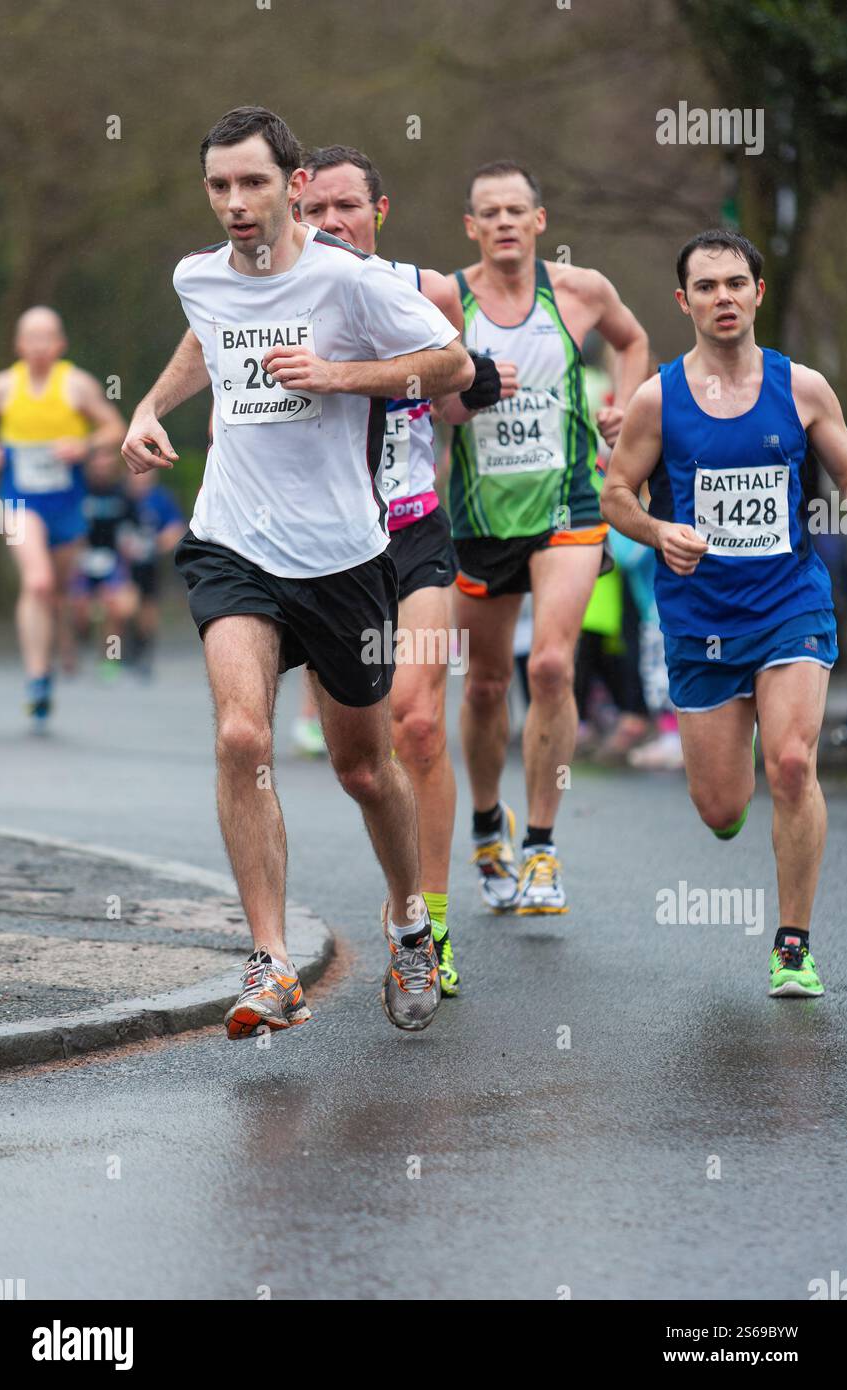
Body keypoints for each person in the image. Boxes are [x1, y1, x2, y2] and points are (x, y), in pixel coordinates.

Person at [121, 106, 474, 1037]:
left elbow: (452, 361)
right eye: (219, 185)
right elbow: (208, 336)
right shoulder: (197, 276)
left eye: (253, 184)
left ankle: (408, 922)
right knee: (243, 738)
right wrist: (150, 407)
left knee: (365, 767)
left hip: (342, 557)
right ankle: (272, 963)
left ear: (292, 188)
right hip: (232, 537)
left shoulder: (346, 280)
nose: (235, 203)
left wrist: (338, 376)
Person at [601, 228, 847, 997]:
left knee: (792, 762)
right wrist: (657, 528)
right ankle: (729, 802)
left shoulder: (802, 388)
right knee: (719, 808)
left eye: (736, 283)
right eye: (706, 287)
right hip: (700, 616)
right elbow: (616, 497)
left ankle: (793, 945)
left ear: (758, 293)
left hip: (790, 603)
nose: (723, 297)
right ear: (684, 302)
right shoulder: (658, 398)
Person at [298, 144, 501, 994]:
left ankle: (435, 929)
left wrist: (482, 384)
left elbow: (452, 401)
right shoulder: (287, 301)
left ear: (380, 211)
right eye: (317, 211)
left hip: (414, 529)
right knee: (364, 756)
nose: (332, 222)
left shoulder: (431, 291)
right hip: (327, 544)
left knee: (419, 724)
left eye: (349, 206)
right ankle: (403, 900)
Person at [435, 160, 649, 914]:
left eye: (514, 210)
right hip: (481, 516)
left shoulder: (581, 291)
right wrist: (469, 389)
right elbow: (433, 403)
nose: (502, 222)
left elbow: (633, 339)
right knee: (489, 683)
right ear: (471, 226)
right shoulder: (447, 299)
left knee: (552, 667)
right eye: (487, 212)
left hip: (569, 507)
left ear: (539, 221)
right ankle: (490, 824)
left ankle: (543, 850)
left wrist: (626, 406)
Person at [0, 307, 125, 727]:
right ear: (19, 344)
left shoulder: (77, 385)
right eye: (32, 338)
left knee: (58, 589)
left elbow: (114, 426)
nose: (40, 346)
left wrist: (84, 445)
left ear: (59, 344)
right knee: (38, 581)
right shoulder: (3, 386)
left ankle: (53, 652)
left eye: (48, 338)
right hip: (18, 498)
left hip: (67, 503)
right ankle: (37, 677)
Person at [70, 444, 140, 676]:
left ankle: (110, 659)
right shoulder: (78, 491)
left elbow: (133, 528)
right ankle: (79, 641)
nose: (101, 464)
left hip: (112, 560)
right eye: (96, 459)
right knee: (80, 610)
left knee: (114, 609)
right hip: (82, 559)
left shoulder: (122, 493)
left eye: (106, 458)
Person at [121, 469, 185, 676]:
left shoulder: (161, 498)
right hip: (122, 566)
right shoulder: (120, 496)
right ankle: (115, 655)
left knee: (148, 608)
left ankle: (144, 652)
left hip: (149, 564)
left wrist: (155, 545)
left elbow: (177, 527)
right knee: (124, 607)